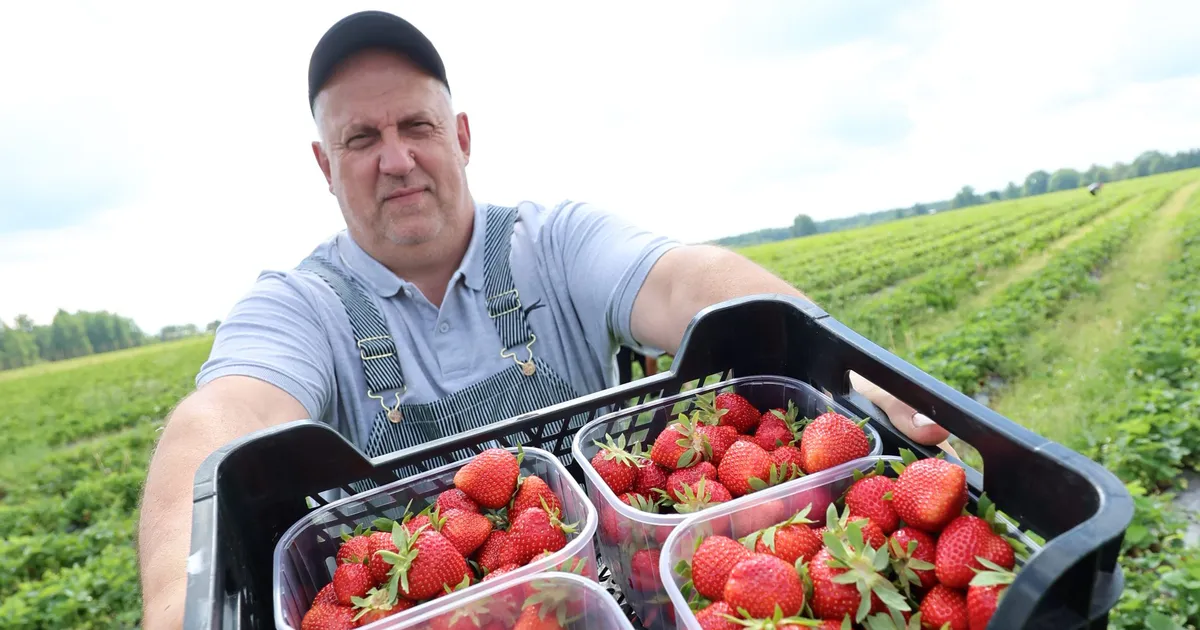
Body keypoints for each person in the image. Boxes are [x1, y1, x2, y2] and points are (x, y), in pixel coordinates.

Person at [135, 10, 950, 628]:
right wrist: (183, 599)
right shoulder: (299, 305)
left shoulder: (551, 242)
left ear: (458, 136)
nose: (396, 157)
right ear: (323, 164)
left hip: (614, 595)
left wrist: (834, 349)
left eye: (416, 125)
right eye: (360, 137)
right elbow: (223, 418)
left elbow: (685, 280)